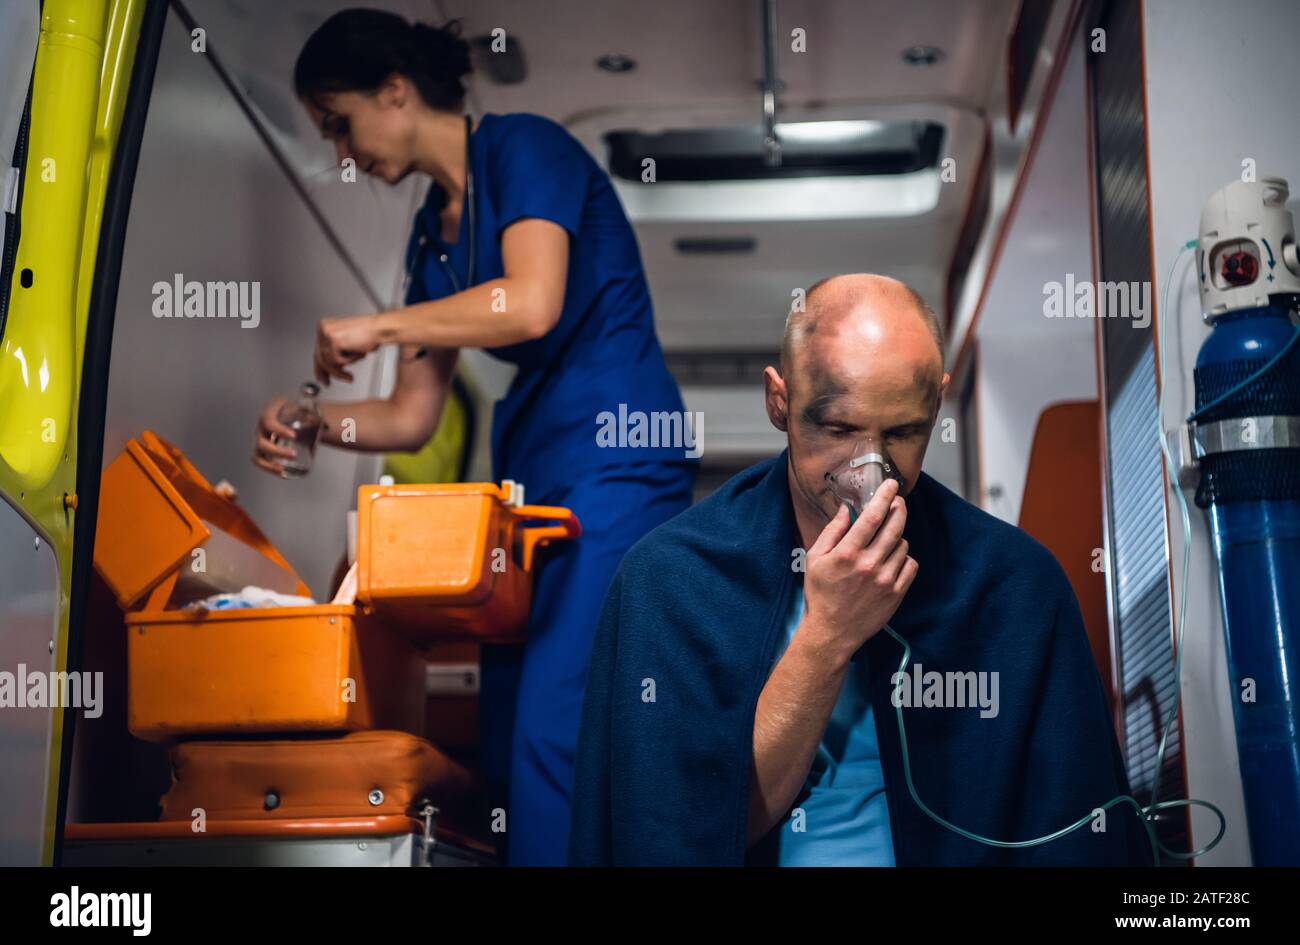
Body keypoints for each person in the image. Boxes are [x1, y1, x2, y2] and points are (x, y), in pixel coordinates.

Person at [253, 9, 696, 865]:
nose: (343, 153)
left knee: (552, 724)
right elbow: (410, 416)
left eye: (340, 124)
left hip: (616, 453)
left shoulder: (524, 148)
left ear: (395, 89)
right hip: (536, 468)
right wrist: (313, 422)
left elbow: (530, 302)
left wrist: (378, 326)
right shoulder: (430, 238)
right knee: (503, 731)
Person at [569, 274, 1149, 865]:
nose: (870, 471)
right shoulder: (673, 578)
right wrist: (828, 636)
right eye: (839, 429)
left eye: (901, 433)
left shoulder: (1013, 583)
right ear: (779, 401)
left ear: (937, 404)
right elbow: (690, 834)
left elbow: (1074, 830)